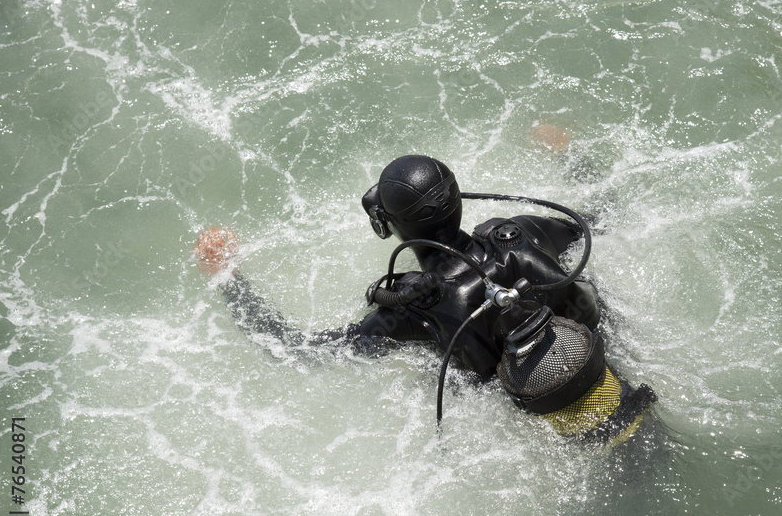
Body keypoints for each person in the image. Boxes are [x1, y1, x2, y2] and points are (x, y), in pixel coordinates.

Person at [195, 129, 656, 445]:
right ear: (458, 197)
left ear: (392, 227)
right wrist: (572, 154)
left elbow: (297, 351)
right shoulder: (521, 234)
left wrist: (229, 279)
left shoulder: (414, 308)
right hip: (619, 387)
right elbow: (597, 220)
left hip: (546, 433)